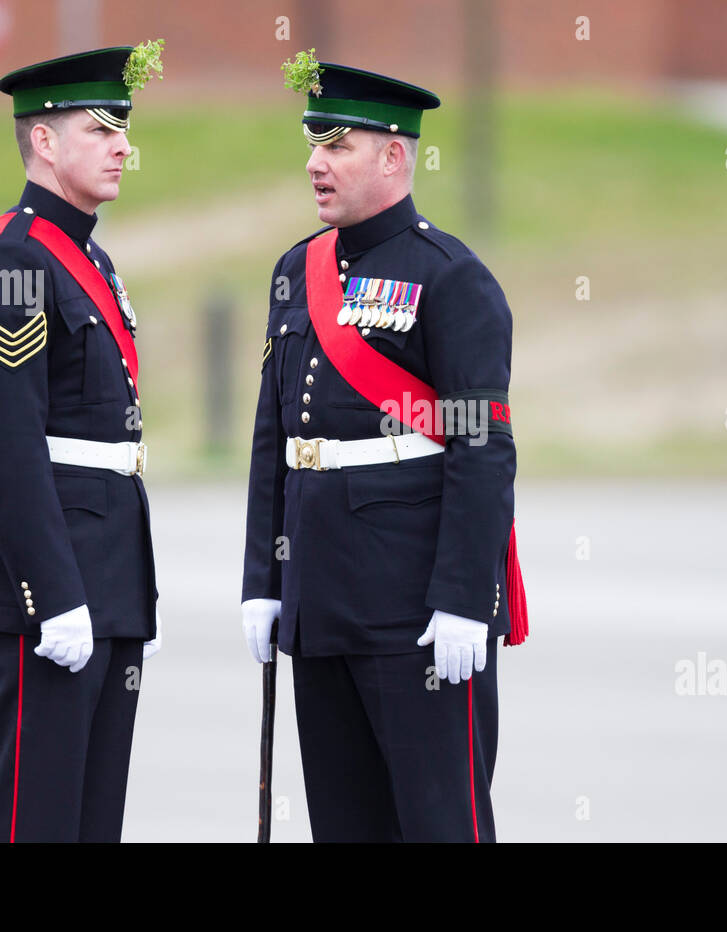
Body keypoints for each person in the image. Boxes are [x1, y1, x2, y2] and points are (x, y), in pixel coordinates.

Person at [241, 51, 527, 843]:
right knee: (344, 825)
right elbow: (277, 439)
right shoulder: (295, 272)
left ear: (395, 155)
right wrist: (263, 579)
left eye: (336, 145)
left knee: (440, 824)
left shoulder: (452, 278)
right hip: (319, 598)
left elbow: (482, 450)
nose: (314, 164)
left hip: (417, 608)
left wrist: (467, 599)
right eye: (310, 143)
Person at [0, 41, 165, 842]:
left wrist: (124, 594)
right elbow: (6, 443)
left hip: (105, 578)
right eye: (102, 128)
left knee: (91, 827)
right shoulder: (12, 263)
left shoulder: (85, 257)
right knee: (29, 824)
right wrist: (54, 595)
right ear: (46, 142)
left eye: (125, 128)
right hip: (41, 588)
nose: (124, 145)